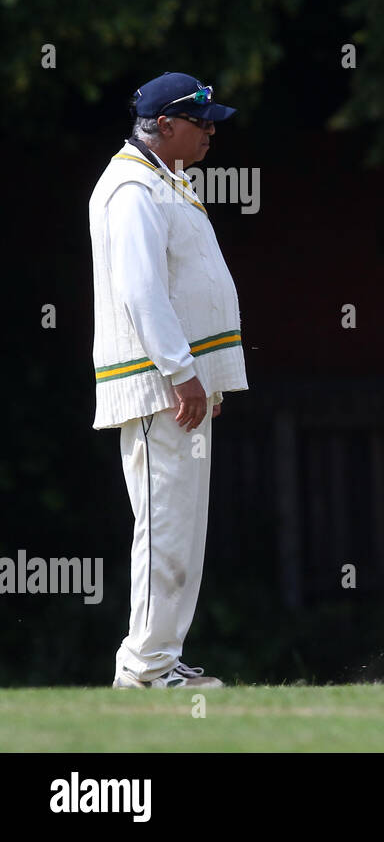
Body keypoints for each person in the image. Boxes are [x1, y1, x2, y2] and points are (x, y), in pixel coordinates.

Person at [89, 72, 246, 688]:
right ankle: (146, 666)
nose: (211, 132)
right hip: (157, 389)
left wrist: (205, 378)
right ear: (166, 124)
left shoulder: (164, 181)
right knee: (164, 525)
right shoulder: (130, 189)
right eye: (202, 122)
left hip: (178, 388)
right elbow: (141, 292)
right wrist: (183, 376)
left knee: (182, 526)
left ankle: (160, 658)